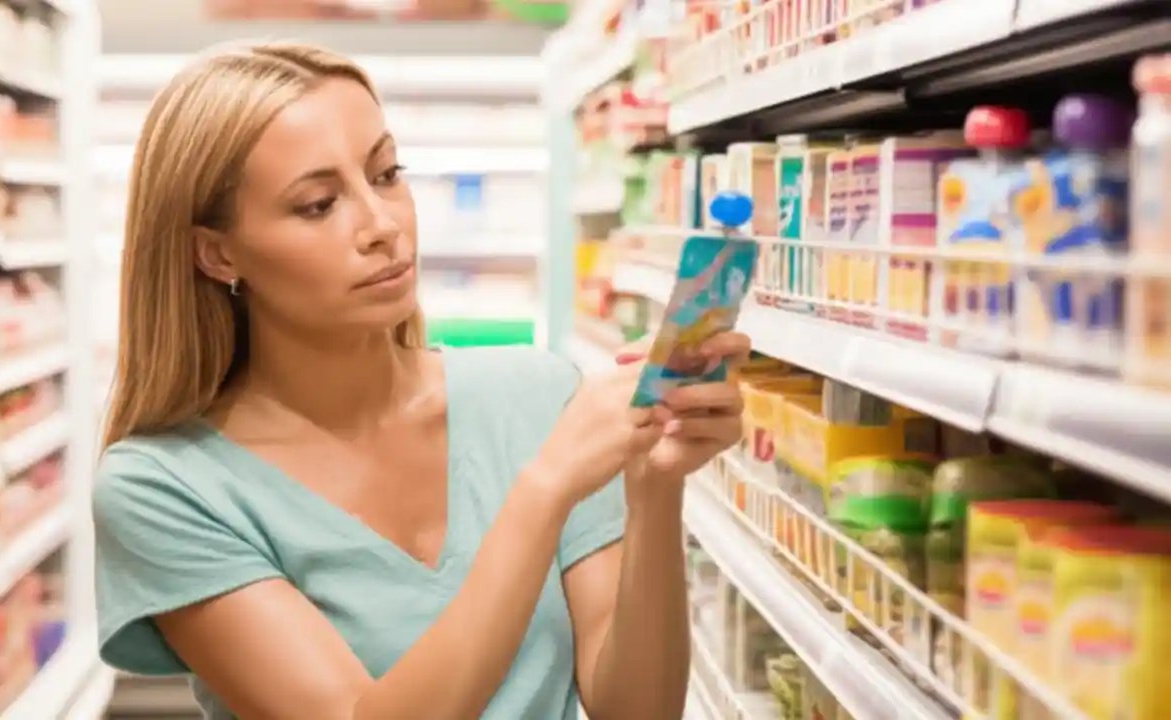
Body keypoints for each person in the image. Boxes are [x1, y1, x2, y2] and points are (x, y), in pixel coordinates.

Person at [94, 41, 750, 720]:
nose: (382, 225)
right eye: (319, 204)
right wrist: (543, 490)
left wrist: (655, 489)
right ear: (217, 252)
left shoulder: (539, 394)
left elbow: (635, 712)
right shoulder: (165, 485)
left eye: (385, 173)